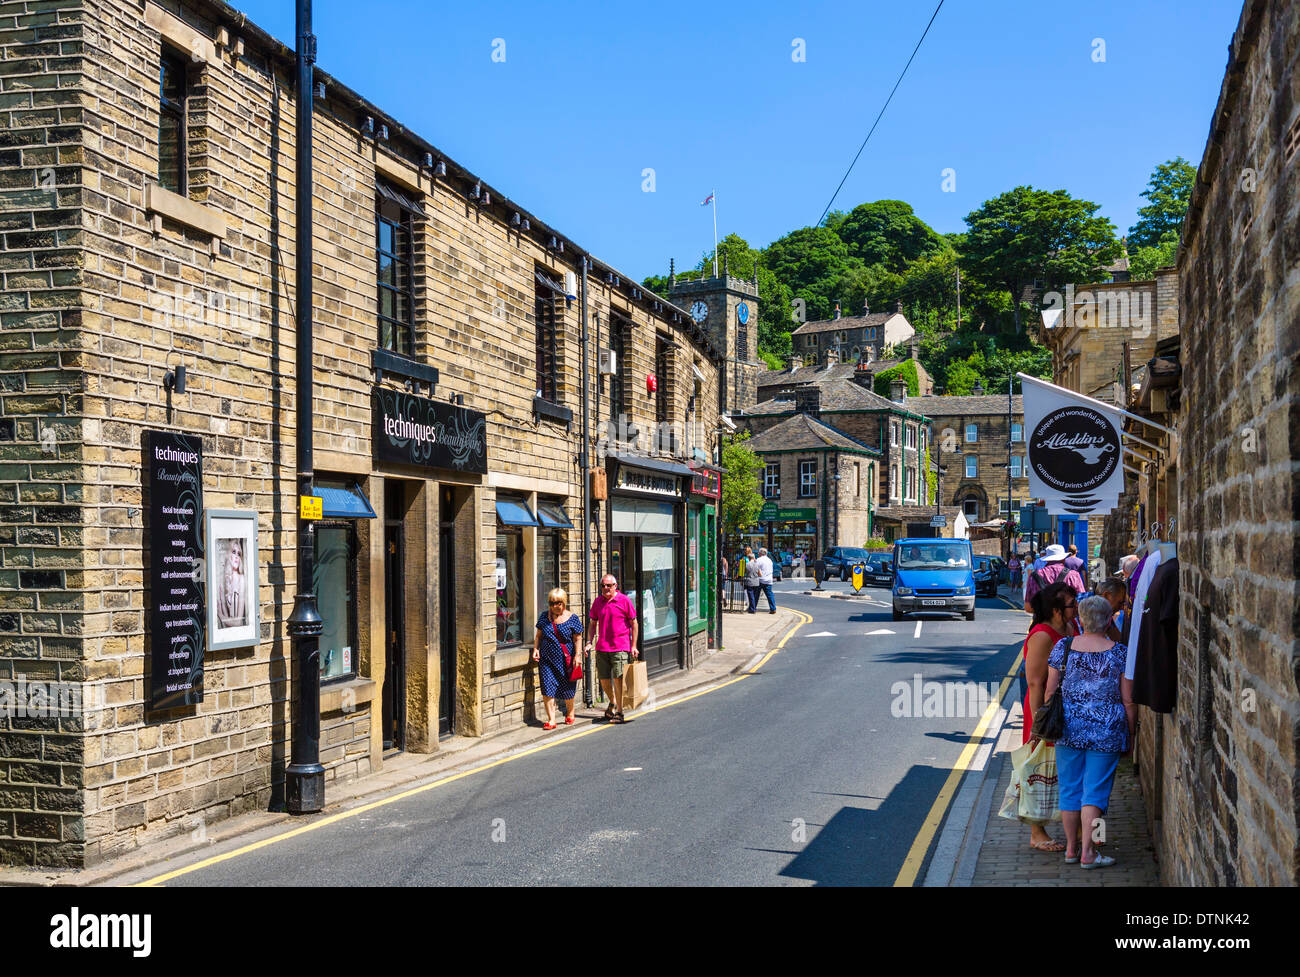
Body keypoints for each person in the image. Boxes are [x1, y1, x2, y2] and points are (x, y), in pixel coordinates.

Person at [1041, 595, 1136, 869]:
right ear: (1108, 620)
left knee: (1070, 790)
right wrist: (1130, 733)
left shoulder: (1064, 647)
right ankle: (1089, 852)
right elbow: (1128, 700)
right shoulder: (1120, 653)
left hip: (1068, 729)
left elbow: (1050, 691)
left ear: (1081, 620)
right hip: (1107, 731)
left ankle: (1070, 850)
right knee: (1094, 793)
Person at [1020, 580, 1079, 853]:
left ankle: (1077, 827)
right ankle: (1036, 831)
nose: (1076, 607)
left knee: (1065, 770)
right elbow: (1034, 683)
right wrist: (1037, 726)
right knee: (1040, 769)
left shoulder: (1070, 627)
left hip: (1065, 710)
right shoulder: (1043, 635)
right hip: (1044, 713)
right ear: (1057, 610)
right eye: (1071, 604)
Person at [587, 574, 638, 723]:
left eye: (609, 585)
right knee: (603, 680)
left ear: (615, 586)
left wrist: (633, 645)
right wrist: (589, 642)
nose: (605, 588)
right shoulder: (598, 602)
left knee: (618, 679)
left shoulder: (624, 601)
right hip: (602, 647)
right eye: (603, 585)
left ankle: (620, 713)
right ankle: (613, 701)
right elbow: (592, 623)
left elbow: (634, 624)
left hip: (620, 647)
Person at [532, 588, 582, 729]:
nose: (555, 606)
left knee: (567, 688)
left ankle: (570, 712)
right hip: (547, 660)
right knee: (547, 688)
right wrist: (536, 649)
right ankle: (552, 720)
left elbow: (578, 638)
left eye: (558, 603)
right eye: (552, 603)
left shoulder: (573, 619)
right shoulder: (544, 617)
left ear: (564, 602)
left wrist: (577, 656)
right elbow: (538, 636)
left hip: (566, 660)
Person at [1023, 544, 1086, 617]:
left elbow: (1028, 608)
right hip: (1067, 624)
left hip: (1042, 623)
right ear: (1063, 558)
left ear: (1047, 559)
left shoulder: (1035, 576)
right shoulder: (1073, 575)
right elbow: (1082, 603)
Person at [755, 547, 776, 614]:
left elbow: (756, 568)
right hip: (769, 580)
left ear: (761, 553)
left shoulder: (759, 560)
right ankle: (773, 609)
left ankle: (753, 608)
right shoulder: (770, 560)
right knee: (770, 595)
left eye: (759, 552)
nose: (758, 553)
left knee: (756, 595)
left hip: (760, 579)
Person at [744, 546, 762, 613]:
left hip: (749, 582)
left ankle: (752, 609)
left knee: (751, 596)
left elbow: (743, 573)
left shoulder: (747, 565)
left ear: (749, 558)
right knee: (754, 596)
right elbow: (760, 574)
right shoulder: (757, 565)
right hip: (756, 582)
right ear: (753, 558)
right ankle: (752, 608)